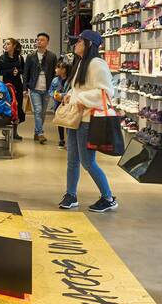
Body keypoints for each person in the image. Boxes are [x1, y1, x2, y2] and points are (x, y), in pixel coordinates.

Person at [58, 30, 117, 213]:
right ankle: (70, 195)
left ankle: (108, 197)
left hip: (88, 119)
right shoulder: (82, 63)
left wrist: (78, 99)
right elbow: (79, 88)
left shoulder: (97, 64)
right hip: (78, 117)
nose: (75, 45)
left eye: (79, 42)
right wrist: (70, 96)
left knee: (87, 161)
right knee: (72, 160)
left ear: (88, 44)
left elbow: (105, 92)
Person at [25, 32, 57, 143]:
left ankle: (36, 131)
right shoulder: (31, 56)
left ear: (47, 42)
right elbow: (26, 73)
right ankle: (40, 133)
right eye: (38, 40)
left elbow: (54, 73)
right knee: (37, 110)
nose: (39, 41)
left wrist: (55, 88)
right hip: (34, 89)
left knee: (43, 112)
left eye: (42, 40)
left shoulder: (52, 56)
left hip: (47, 89)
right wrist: (25, 88)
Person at [0, 37, 26, 140]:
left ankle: (15, 131)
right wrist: (10, 71)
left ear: (14, 46)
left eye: (8, 44)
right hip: (7, 86)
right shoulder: (2, 58)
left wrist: (19, 72)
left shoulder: (20, 58)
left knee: (17, 108)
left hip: (18, 85)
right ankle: (6, 129)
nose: (6, 46)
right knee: (8, 107)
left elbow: (23, 70)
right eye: (5, 44)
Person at [49, 61, 69, 148]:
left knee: (69, 121)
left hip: (68, 103)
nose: (56, 70)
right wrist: (54, 95)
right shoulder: (55, 80)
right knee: (59, 121)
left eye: (58, 68)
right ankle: (61, 139)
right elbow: (50, 90)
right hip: (57, 103)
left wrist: (62, 95)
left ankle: (70, 140)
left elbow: (71, 92)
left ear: (64, 70)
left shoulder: (70, 80)